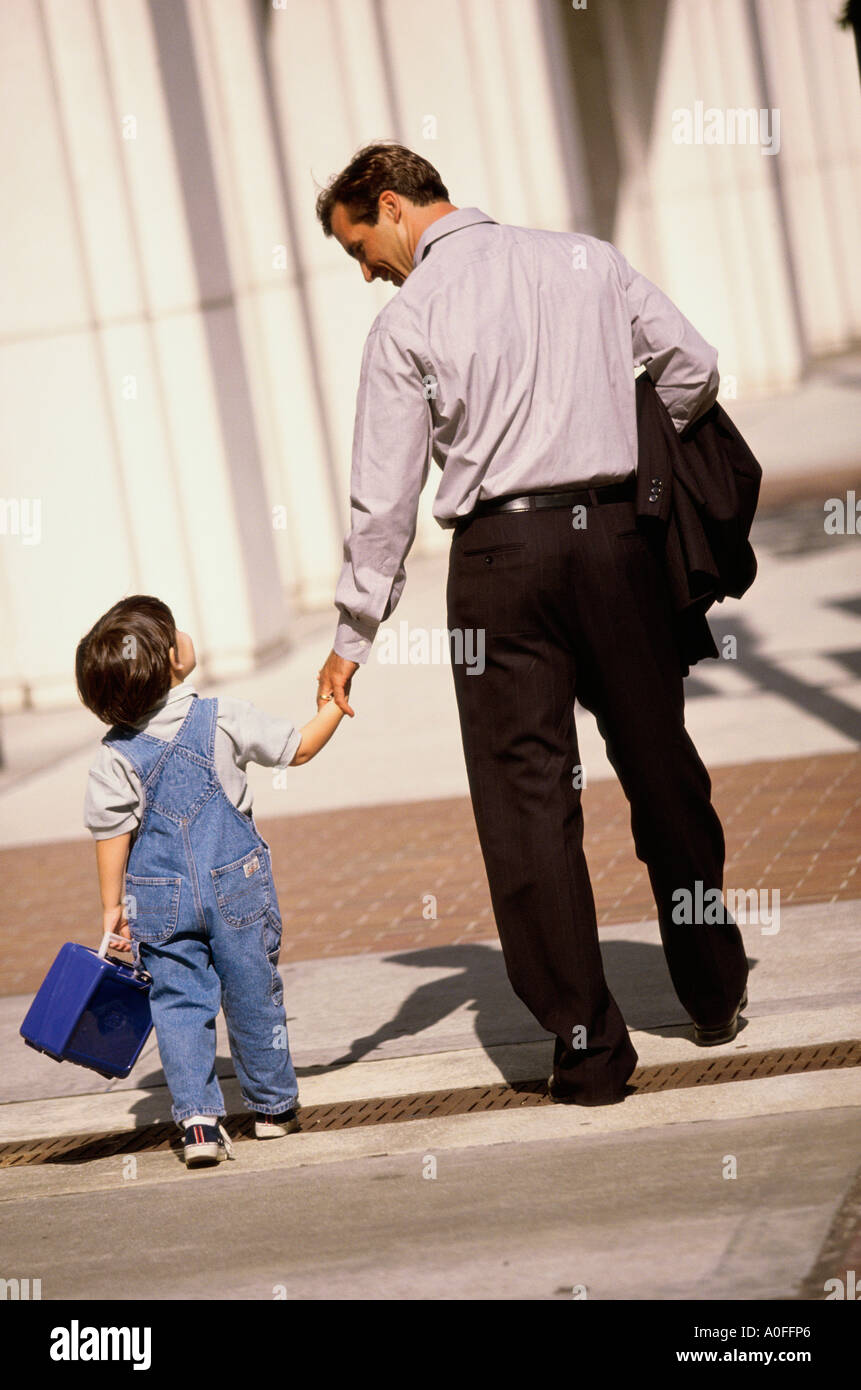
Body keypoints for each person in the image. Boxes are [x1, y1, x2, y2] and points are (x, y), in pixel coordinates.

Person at [313, 142, 749, 1106]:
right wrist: (627, 455)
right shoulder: (583, 258)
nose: (365, 272)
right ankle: (713, 989)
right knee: (658, 760)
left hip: (497, 565)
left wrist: (352, 637)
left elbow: (381, 502)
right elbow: (693, 369)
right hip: (616, 545)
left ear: (389, 205)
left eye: (358, 247)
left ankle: (590, 1050)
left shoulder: (408, 320)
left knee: (526, 804)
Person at [76, 594, 344, 1165]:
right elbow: (299, 749)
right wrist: (331, 705)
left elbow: (110, 832)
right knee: (253, 994)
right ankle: (271, 1110)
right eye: (177, 632)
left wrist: (110, 908)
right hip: (236, 887)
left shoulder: (115, 754)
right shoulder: (222, 716)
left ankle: (197, 1123)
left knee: (177, 1004)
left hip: (158, 898)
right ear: (172, 660)